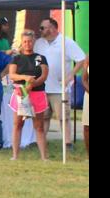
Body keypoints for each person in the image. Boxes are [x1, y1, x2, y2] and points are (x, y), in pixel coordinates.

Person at [33, 16, 85, 149]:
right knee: (44, 117)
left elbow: (81, 59)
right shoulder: (39, 43)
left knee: (63, 117)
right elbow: (37, 60)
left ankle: (67, 143)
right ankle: (42, 142)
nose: (40, 30)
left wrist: (70, 76)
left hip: (59, 89)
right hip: (42, 87)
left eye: (42, 27)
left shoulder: (66, 42)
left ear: (52, 28)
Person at [8, 29, 49, 161]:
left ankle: (44, 157)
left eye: (30, 41)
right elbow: (12, 75)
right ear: (22, 42)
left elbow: (43, 75)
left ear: (34, 42)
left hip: (36, 93)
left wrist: (33, 83)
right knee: (18, 124)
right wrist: (25, 78)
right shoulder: (17, 58)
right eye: (25, 41)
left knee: (39, 126)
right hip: (21, 93)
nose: (27, 44)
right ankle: (15, 155)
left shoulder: (38, 58)